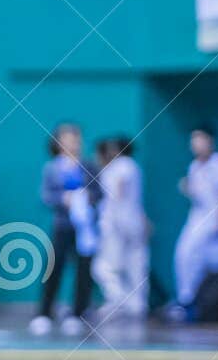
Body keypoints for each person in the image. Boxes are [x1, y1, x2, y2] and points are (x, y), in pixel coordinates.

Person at [31, 124, 98, 336]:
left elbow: (100, 192)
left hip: (85, 229)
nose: (72, 142)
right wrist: (64, 199)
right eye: (67, 138)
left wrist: (89, 198)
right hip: (62, 226)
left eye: (76, 138)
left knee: (83, 270)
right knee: (53, 269)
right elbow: (46, 196)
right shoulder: (52, 168)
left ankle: (78, 313)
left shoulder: (89, 166)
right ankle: (44, 313)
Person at [172, 126, 218, 315]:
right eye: (193, 139)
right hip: (196, 218)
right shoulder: (194, 166)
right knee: (184, 255)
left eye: (200, 139)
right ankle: (186, 301)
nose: (196, 144)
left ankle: (211, 307)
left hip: (215, 220)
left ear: (210, 141)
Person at [93, 136, 150, 316]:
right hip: (132, 222)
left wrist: (115, 218)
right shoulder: (133, 166)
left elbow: (119, 192)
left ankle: (118, 299)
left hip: (118, 223)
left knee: (103, 267)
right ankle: (137, 304)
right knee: (136, 265)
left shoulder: (120, 166)